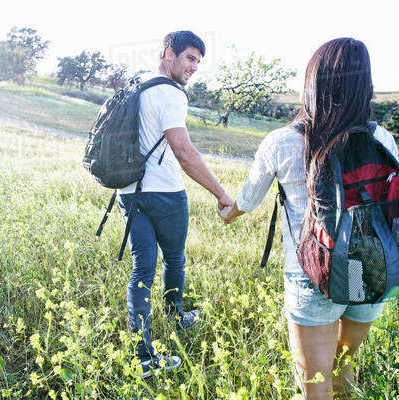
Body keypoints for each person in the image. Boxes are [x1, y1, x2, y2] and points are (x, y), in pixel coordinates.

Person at [218, 38, 399, 398]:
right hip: (372, 269)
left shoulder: (281, 142)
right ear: (364, 85)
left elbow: (245, 201)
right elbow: (398, 221)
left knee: (314, 381)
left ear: (313, 82)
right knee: (345, 366)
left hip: (313, 275)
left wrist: (227, 210)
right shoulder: (381, 139)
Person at [117, 31, 235, 378]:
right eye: (190, 58)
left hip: (128, 191)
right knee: (175, 258)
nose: (195, 66)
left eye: (199, 60)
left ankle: (143, 360)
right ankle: (176, 315)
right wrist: (221, 194)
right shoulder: (170, 94)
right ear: (168, 53)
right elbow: (184, 152)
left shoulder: (136, 85)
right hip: (165, 193)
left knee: (142, 270)